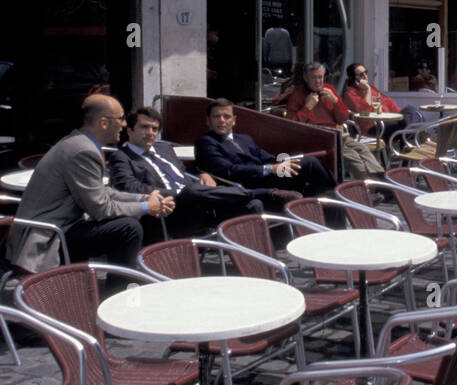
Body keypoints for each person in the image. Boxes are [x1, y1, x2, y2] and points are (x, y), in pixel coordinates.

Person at [7, 95, 173, 275]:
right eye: (120, 119)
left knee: (140, 215)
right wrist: (146, 207)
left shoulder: (79, 142)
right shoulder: (83, 151)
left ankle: (147, 274)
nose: (124, 124)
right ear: (103, 122)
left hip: (64, 226)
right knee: (128, 228)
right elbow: (100, 209)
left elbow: (101, 192)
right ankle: (118, 292)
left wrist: (144, 199)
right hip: (47, 238)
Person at [107, 107, 265, 241]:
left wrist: (202, 174)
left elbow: (183, 173)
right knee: (190, 190)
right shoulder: (121, 157)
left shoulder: (164, 149)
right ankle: (255, 192)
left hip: (199, 205)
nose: (150, 133)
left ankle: (253, 263)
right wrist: (177, 193)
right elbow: (129, 187)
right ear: (130, 130)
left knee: (252, 206)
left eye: (155, 129)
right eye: (144, 127)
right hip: (169, 212)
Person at [195, 99, 335, 207]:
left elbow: (267, 157)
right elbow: (229, 170)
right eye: (216, 117)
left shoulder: (244, 139)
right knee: (310, 164)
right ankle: (337, 200)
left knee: (309, 167)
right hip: (249, 185)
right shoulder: (206, 142)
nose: (222, 121)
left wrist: (285, 162)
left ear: (234, 121)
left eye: (226, 117)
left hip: (269, 177)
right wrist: (270, 168)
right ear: (208, 121)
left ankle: (330, 202)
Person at [278, 64, 384, 178]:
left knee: (363, 149)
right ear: (306, 78)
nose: (318, 81)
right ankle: (369, 189)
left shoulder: (329, 90)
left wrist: (335, 101)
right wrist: (307, 107)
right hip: (318, 139)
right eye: (314, 77)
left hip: (338, 136)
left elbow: (343, 118)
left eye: (320, 77)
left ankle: (380, 180)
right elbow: (291, 126)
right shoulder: (297, 95)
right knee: (354, 157)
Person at [342, 64, 405, 135]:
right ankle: (408, 137)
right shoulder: (350, 94)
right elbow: (364, 112)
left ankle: (408, 136)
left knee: (410, 111)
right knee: (404, 126)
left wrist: (400, 114)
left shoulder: (372, 88)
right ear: (352, 78)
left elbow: (387, 101)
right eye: (361, 75)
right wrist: (367, 89)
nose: (365, 76)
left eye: (366, 72)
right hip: (372, 128)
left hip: (387, 121)